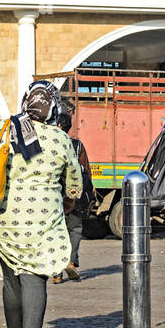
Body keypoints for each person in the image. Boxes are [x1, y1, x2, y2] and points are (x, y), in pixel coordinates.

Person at [0, 81, 81, 328]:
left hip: (7, 219)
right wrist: (67, 202)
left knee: (11, 280)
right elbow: (74, 185)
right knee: (35, 278)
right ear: (54, 107)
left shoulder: (4, 129)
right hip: (46, 220)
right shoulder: (61, 139)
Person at [55, 108, 94, 284]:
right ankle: (70, 261)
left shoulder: (50, 143)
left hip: (54, 194)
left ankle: (56, 272)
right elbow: (86, 170)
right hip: (73, 194)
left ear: (58, 125)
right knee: (75, 229)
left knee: (56, 231)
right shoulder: (77, 146)